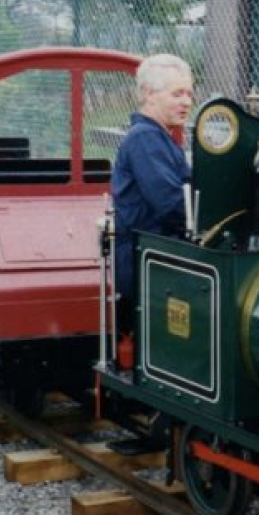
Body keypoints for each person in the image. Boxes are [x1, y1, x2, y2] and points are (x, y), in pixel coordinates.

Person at [112, 53, 194, 317]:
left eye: (189, 94)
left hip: (157, 257)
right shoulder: (145, 139)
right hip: (149, 263)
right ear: (148, 94)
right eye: (177, 94)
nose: (186, 102)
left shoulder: (159, 138)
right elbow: (172, 206)